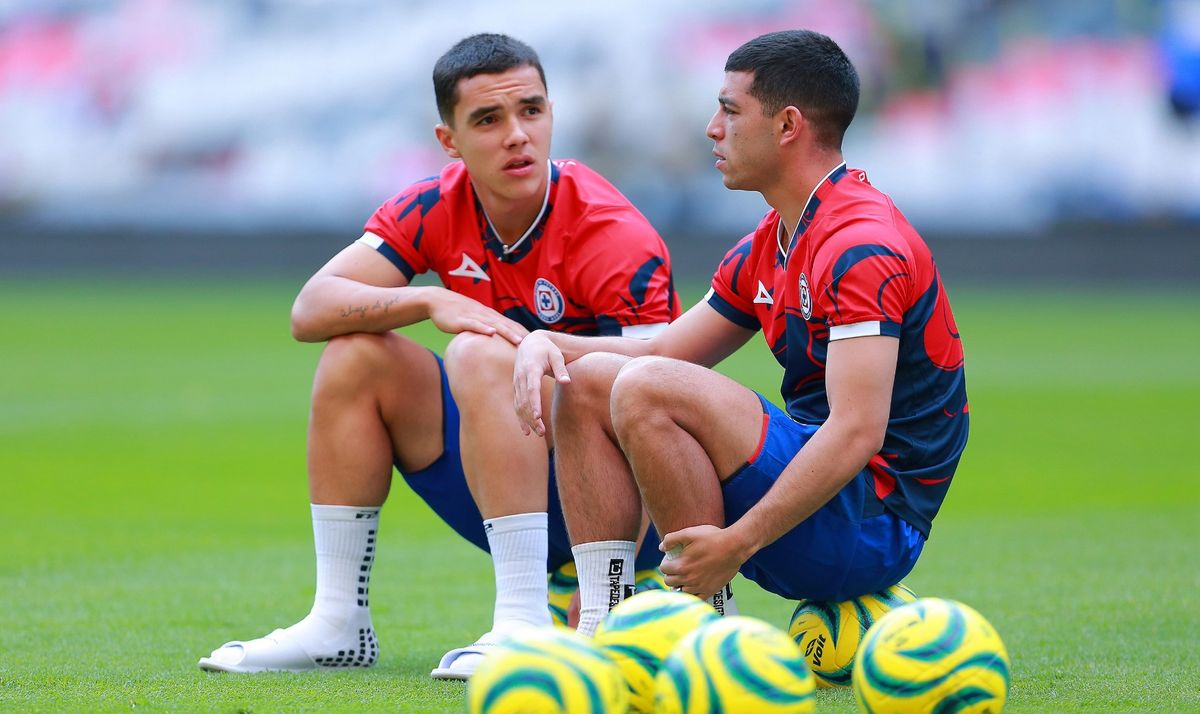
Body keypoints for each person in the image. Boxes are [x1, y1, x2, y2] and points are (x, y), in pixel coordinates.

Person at [198, 33, 677, 677]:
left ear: (552, 114)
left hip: (619, 513)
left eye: (531, 111)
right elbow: (310, 308)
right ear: (448, 140)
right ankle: (338, 622)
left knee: (479, 354)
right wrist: (424, 303)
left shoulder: (610, 230)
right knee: (356, 356)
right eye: (488, 119)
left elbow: (659, 386)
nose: (517, 135)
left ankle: (524, 622)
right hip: (504, 482)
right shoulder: (435, 205)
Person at [513, 29, 968, 636]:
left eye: (729, 109)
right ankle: (598, 617)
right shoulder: (774, 237)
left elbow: (858, 430)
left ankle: (705, 631)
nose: (711, 127)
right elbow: (660, 347)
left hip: (872, 523)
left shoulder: (861, 242)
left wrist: (737, 542)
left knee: (646, 386)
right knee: (591, 378)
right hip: (811, 501)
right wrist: (547, 342)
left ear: (787, 126)